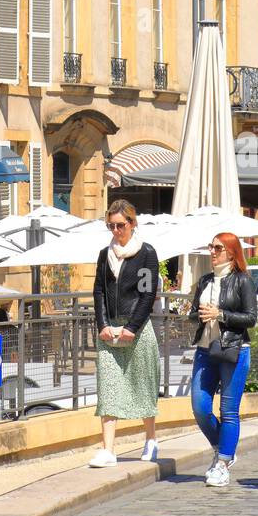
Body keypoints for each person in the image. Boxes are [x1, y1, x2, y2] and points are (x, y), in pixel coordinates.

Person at [90, 199, 161, 467]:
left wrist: (132, 327)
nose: (116, 231)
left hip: (138, 330)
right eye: (111, 226)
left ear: (133, 223)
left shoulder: (146, 254)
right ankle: (108, 449)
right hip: (110, 330)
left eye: (120, 225)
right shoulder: (103, 255)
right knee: (108, 386)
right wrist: (102, 325)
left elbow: (147, 294)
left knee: (143, 385)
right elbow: (98, 291)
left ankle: (151, 438)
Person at [188, 233, 258, 489]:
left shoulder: (242, 281)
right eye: (211, 247)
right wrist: (198, 316)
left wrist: (221, 314)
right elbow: (192, 316)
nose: (213, 251)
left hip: (234, 350)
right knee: (199, 406)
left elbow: (251, 318)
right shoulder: (205, 280)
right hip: (206, 350)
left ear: (231, 252)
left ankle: (222, 463)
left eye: (218, 247)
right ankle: (224, 448)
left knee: (228, 411)